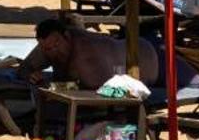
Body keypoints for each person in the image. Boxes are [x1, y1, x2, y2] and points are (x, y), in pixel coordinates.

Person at [17, 16, 152, 91]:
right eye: (48, 49)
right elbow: (24, 68)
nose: (54, 51)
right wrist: (31, 75)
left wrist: (52, 84)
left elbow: (98, 89)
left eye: (57, 44)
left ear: (67, 36)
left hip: (148, 57)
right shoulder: (48, 47)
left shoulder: (86, 53)